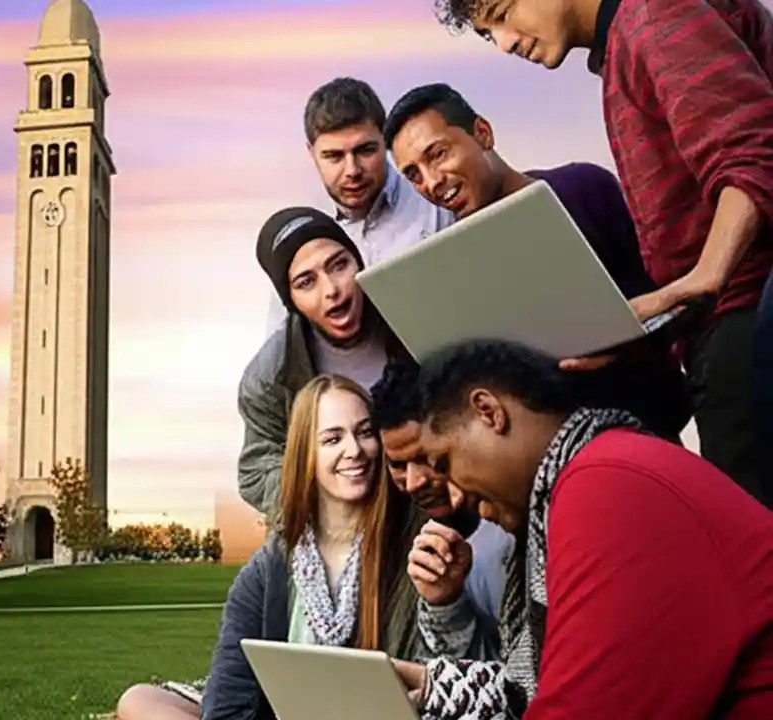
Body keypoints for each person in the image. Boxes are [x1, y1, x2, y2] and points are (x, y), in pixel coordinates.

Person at [428, 0, 773, 504]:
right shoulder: (626, 42)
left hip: (745, 320)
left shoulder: (655, 12)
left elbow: (752, 154)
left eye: (503, 13)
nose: (505, 42)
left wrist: (705, 275)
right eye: (488, 34)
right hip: (719, 330)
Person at [390, 338, 773, 719]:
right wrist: (437, 688)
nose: (454, 494)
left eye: (445, 463)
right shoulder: (595, 474)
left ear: (488, 412)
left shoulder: (607, 486)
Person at [381, 82, 692, 442]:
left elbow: (668, 299)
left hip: (648, 425)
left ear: (483, 133)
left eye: (437, 154)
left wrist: (624, 345)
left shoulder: (584, 188)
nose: (431, 182)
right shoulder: (452, 265)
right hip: (546, 452)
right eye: (413, 175)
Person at [119, 375, 422, 719]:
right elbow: (228, 695)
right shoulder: (272, 564)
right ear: (305, 454)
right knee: (140, 701)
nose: (354, 450)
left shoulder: (410, 544)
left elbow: (434, 674)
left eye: (365, 432)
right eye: (333, 439)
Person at [239, 206, 409, 515]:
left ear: (359, 262)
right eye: (306, 282)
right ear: (291, 301)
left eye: (339, 265)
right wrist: (326, 492)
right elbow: (255, 473)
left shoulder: (410, 320)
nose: (331, 290)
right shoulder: (269, 377)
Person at [266, 77, 454, 333]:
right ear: (311, 152)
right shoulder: (298, 238)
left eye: (365, 150)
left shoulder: (438, 200)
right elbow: (280, 341)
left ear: (385, 140)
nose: (352, 170)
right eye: (334, 157)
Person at [371, 360, 512, 663]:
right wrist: (445, 605)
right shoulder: (400, 539)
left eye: (426, 458)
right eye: (397, 465)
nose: (413, 482)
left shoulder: (519, 528)